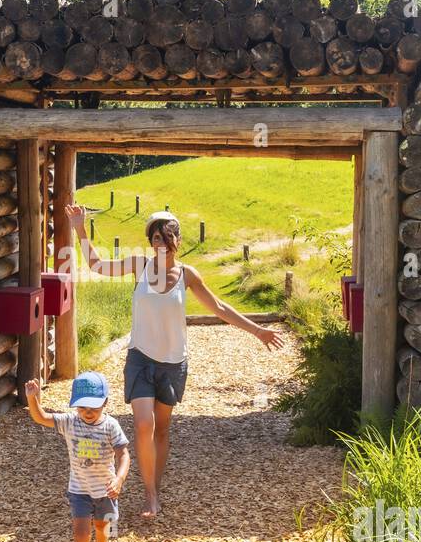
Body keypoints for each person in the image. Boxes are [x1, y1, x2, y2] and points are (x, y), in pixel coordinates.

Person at [65, 204, 284, 519]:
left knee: (162, 431)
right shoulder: (139, 266)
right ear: (149, 241)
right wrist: (80, 228)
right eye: (155, 238)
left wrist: (257, 330)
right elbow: (97, 265)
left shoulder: (187, 274)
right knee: (144, 424)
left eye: (166, 238)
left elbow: (219, 307)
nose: (160, 244)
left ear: (177, 240)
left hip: (172, 363)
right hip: (140, 358)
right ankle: (150, 495)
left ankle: (155, 483)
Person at [23, 371, 130, 542]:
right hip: (79, 489)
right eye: (82, 407)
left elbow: (124, 454)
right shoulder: (70, 422)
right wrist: (33, 399)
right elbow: (41, 418)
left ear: (105, 402)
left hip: (105, 489)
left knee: (103, 527)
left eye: (93, 407)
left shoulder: (111, 425)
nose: (87, 412)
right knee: (81, 533)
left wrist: (120, 479)